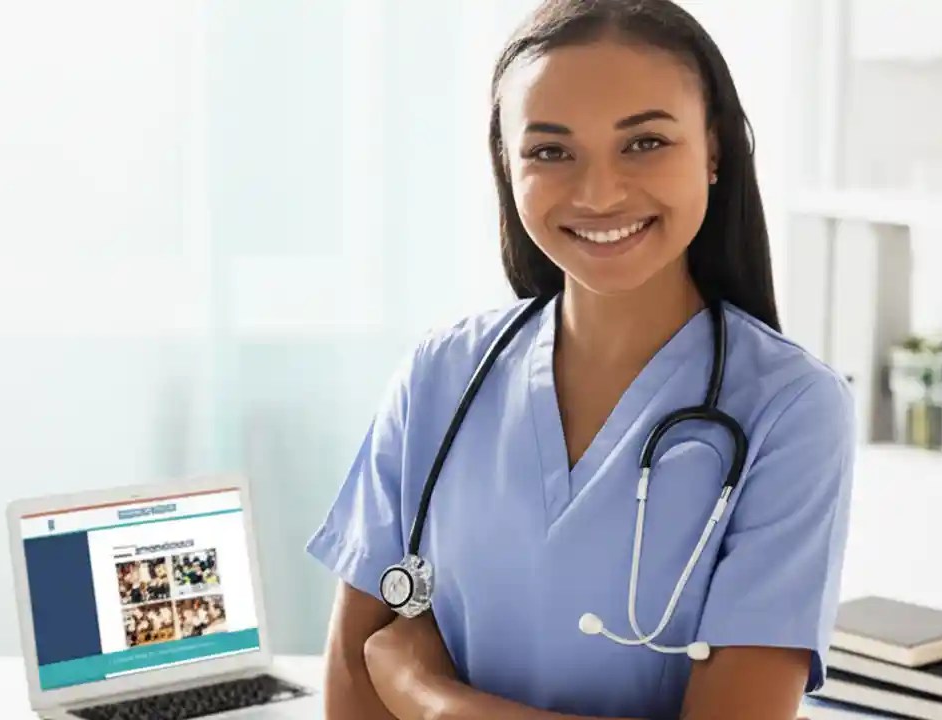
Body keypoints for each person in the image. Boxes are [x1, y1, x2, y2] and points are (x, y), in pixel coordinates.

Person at [305, 0, 855, 717]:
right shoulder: (440, 377)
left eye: (645, 143)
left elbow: (386, 673)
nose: (598, 192)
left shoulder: (791, 408)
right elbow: (351, 692)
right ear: (507, 164)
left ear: (714, 149)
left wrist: (427, 695)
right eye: (551, 151)